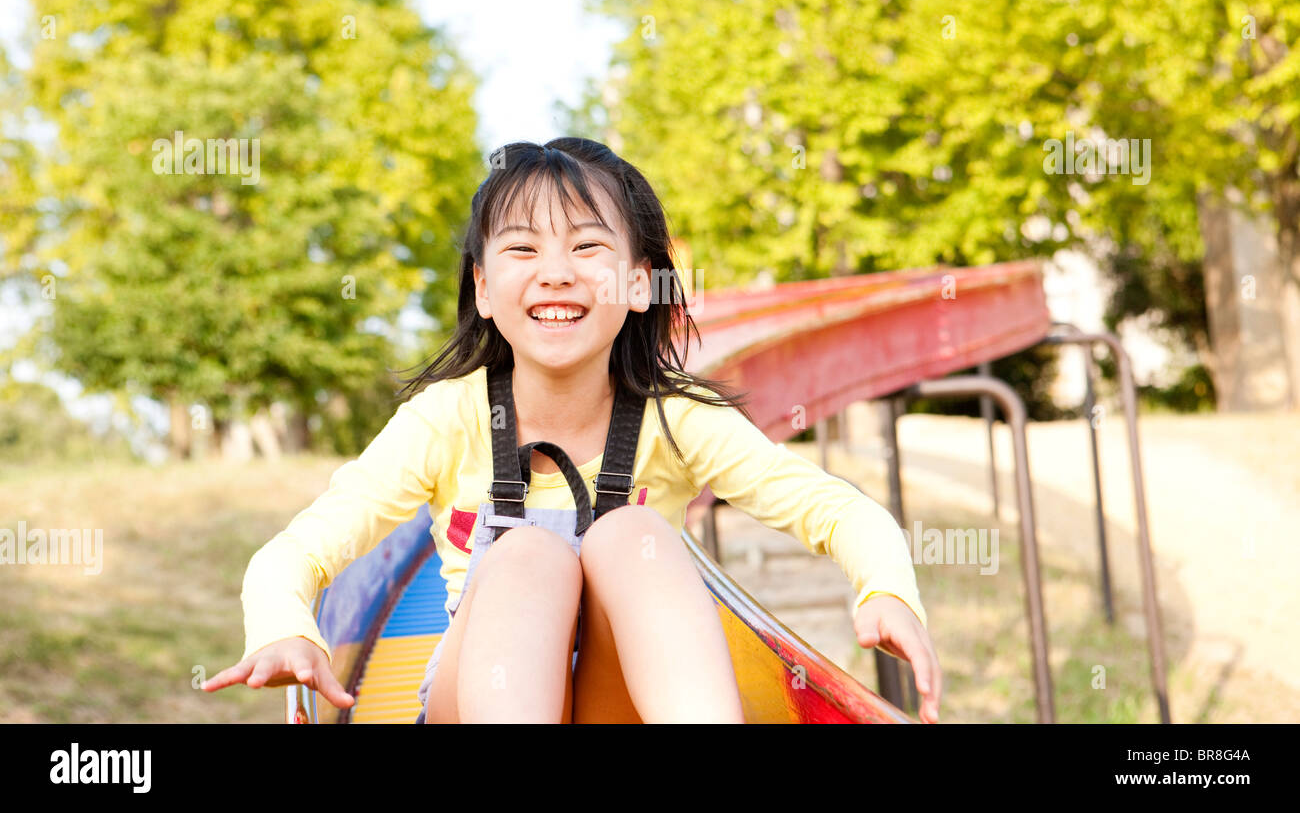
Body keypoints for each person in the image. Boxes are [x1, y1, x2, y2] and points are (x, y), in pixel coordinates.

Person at [202, 138, 942, 723]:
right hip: (482, 698)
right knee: (526, 554)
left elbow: (838, 510)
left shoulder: (675, 421)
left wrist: (887, 589)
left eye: (587, 248)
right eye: (523, 250)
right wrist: (282, 625)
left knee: (633, 534)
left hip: (617, 704)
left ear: (636, 281)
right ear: (485, 290)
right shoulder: (447, 419)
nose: (556, 272)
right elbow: (294, 553)